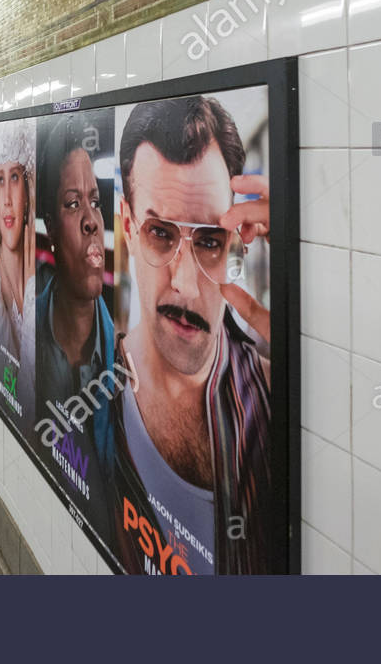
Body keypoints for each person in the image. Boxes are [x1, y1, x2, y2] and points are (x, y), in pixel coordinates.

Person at [112, 95, 271, 575]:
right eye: (160, 233)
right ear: (127, 227)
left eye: (207, 241)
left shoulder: (272, 398)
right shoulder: (92, 394)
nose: (184, 283)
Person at [32, 111, 117, 531]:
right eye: (72, 204)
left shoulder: (128, 360)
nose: (91, 220)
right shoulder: (25, 331)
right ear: (50, 223)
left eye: (95, 202)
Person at [0, 119, 36, 433]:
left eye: (15, 177)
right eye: (0, 179)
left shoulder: (46, 282)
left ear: (29, 190)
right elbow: (23, 397)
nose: (6, 198)